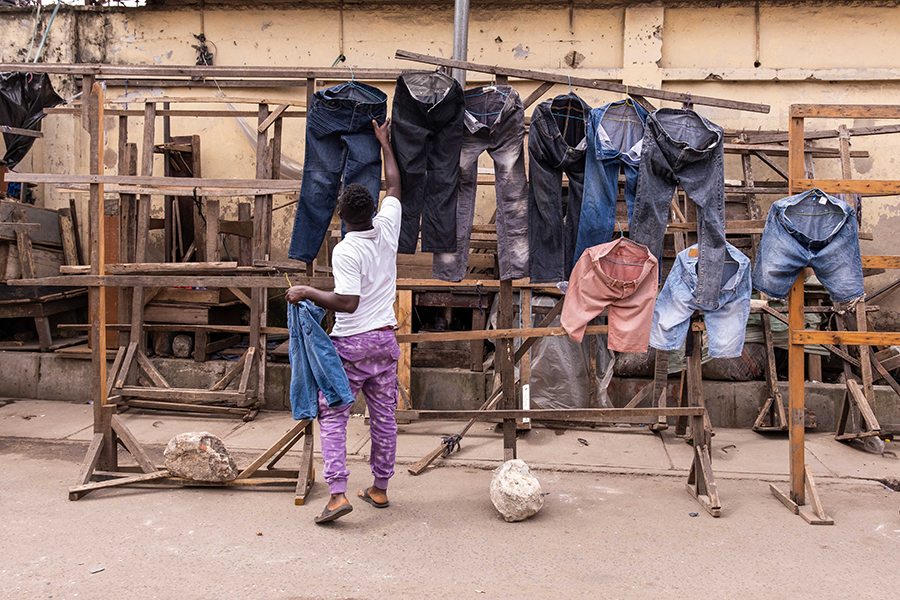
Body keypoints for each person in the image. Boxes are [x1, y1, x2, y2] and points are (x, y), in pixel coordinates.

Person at [286, 118, 402, 524]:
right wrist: (384, 143)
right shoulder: (388, 227)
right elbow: (394, 184)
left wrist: (305, 291)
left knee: (333, 414)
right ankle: (380, 489)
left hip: (351, 344)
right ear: (372, 210)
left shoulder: (346, 250)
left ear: (342, 216)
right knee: (383, 415)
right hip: (385, 342)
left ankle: (337, 495)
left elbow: (347, 302)